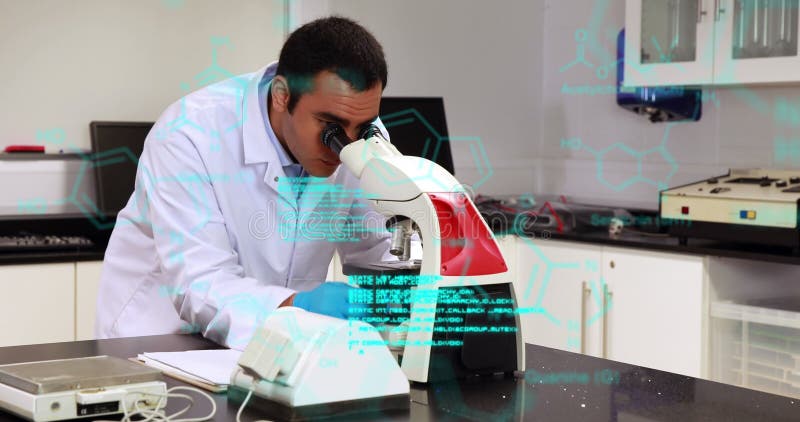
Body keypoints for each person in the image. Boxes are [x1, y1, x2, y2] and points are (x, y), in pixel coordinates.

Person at [95, 16, 393, 349]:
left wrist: (406, 291)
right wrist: (301, 307)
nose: (345, 148)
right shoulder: (188, 134)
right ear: (282, 95)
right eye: (330, 125)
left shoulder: (358, 131)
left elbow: (376, 249)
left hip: (283, 345)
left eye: (362, 128)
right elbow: (202, 283)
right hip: (163, 341)